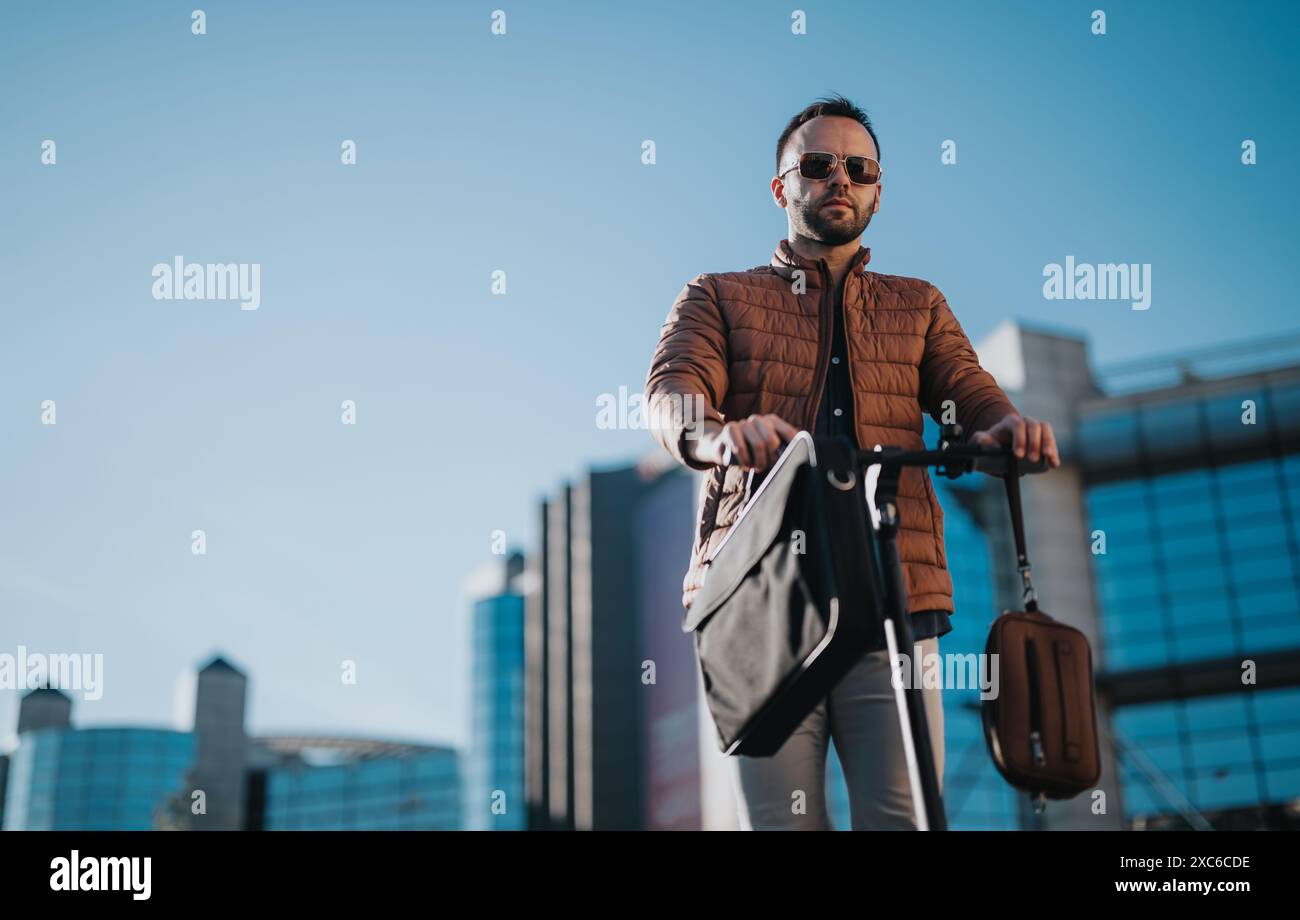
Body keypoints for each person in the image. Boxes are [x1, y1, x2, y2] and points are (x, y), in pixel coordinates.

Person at [644, 94, 1061, 830]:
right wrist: (716, 437)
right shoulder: (715, 295)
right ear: (782, 187)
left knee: (903, 819)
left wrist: (1004, 430)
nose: (840, 178)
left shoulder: (918, 304)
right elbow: (673, 392)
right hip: (758, 603)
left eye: (858, 167)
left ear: (876, 188)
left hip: (892, 595)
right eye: (817, 164)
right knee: (783, 824)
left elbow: (969, 393)